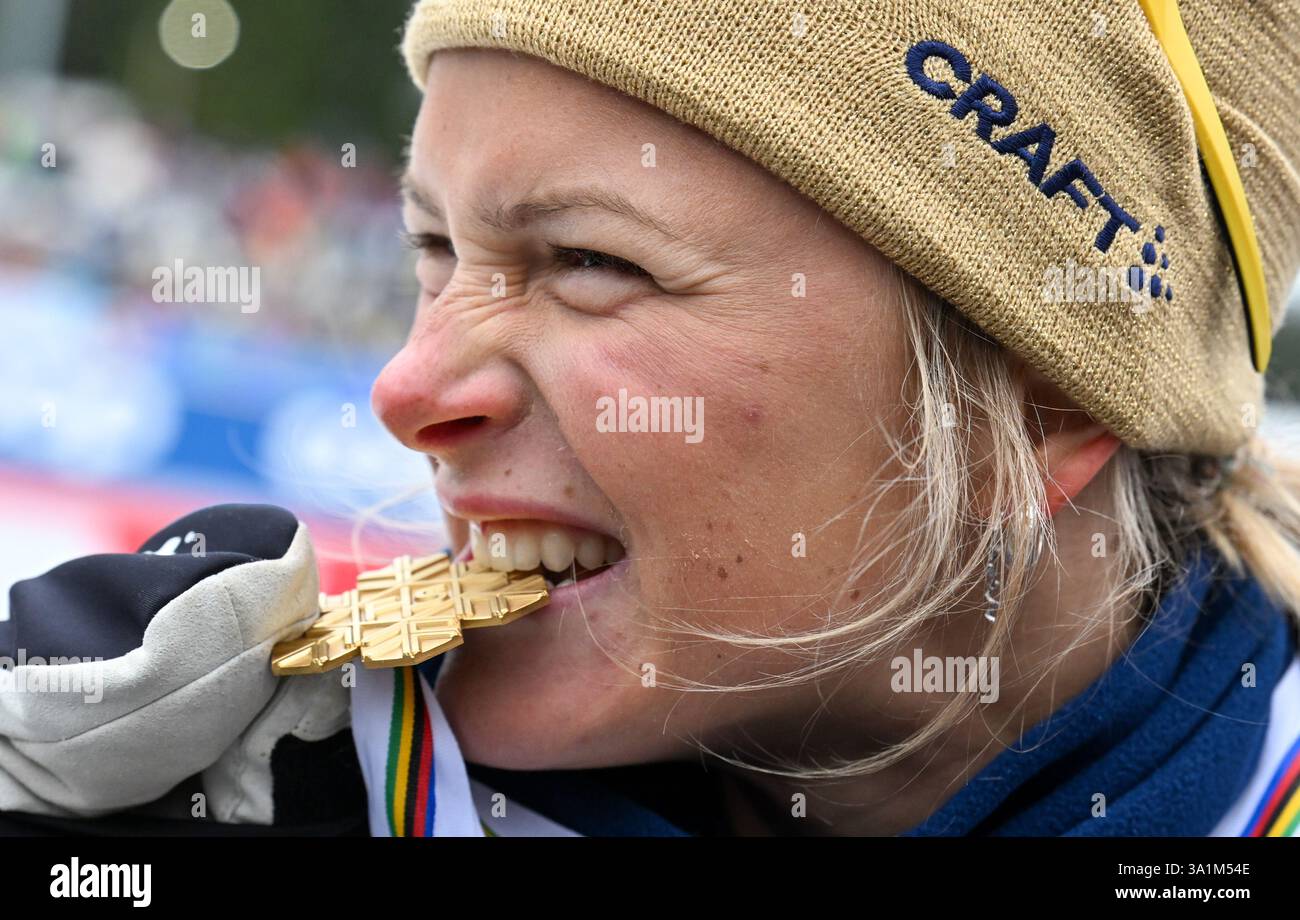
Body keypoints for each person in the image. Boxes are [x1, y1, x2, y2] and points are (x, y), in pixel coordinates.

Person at [3, 0, 1299, 837]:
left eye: (589, 264)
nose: (407, 389)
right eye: (435, 248)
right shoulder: (299, 782)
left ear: (1038, 414)